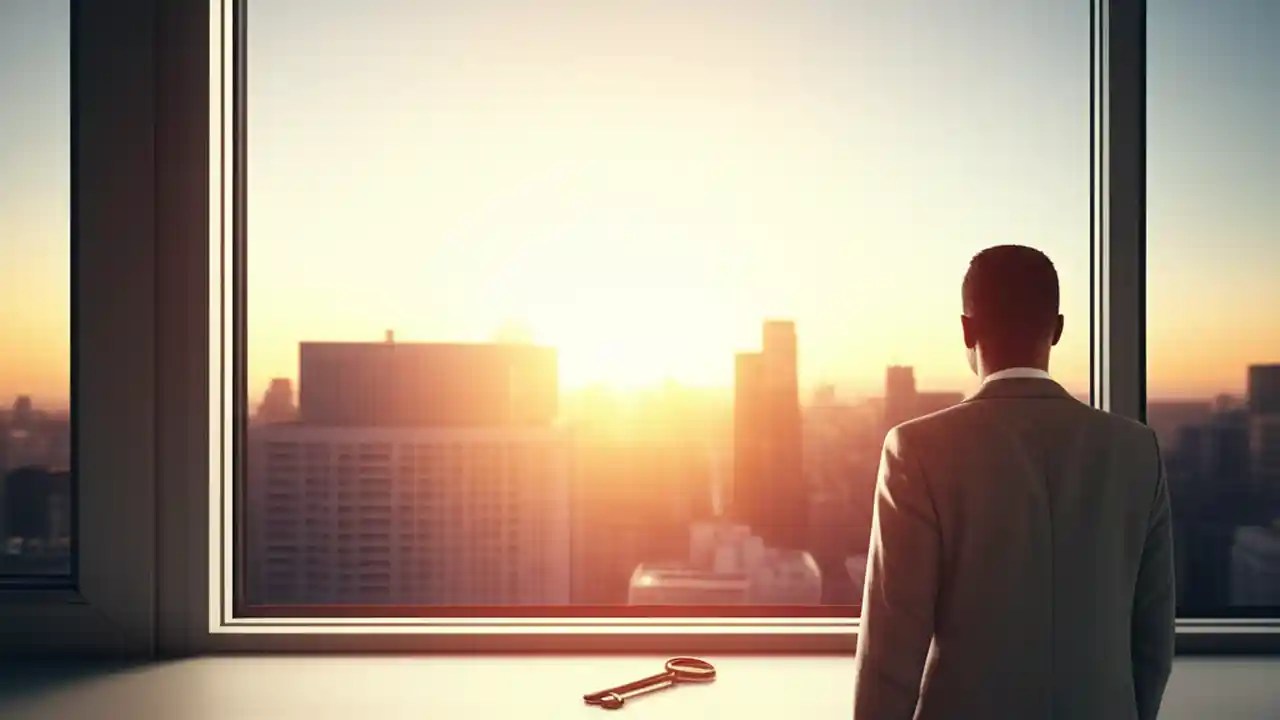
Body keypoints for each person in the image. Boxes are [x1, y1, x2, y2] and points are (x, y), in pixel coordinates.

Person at [852, 245, 1175, 720]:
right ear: (1058, 329)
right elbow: (1152, 638)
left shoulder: (916, 448)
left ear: (966, 328)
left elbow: (892, 649)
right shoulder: (1136, 450)